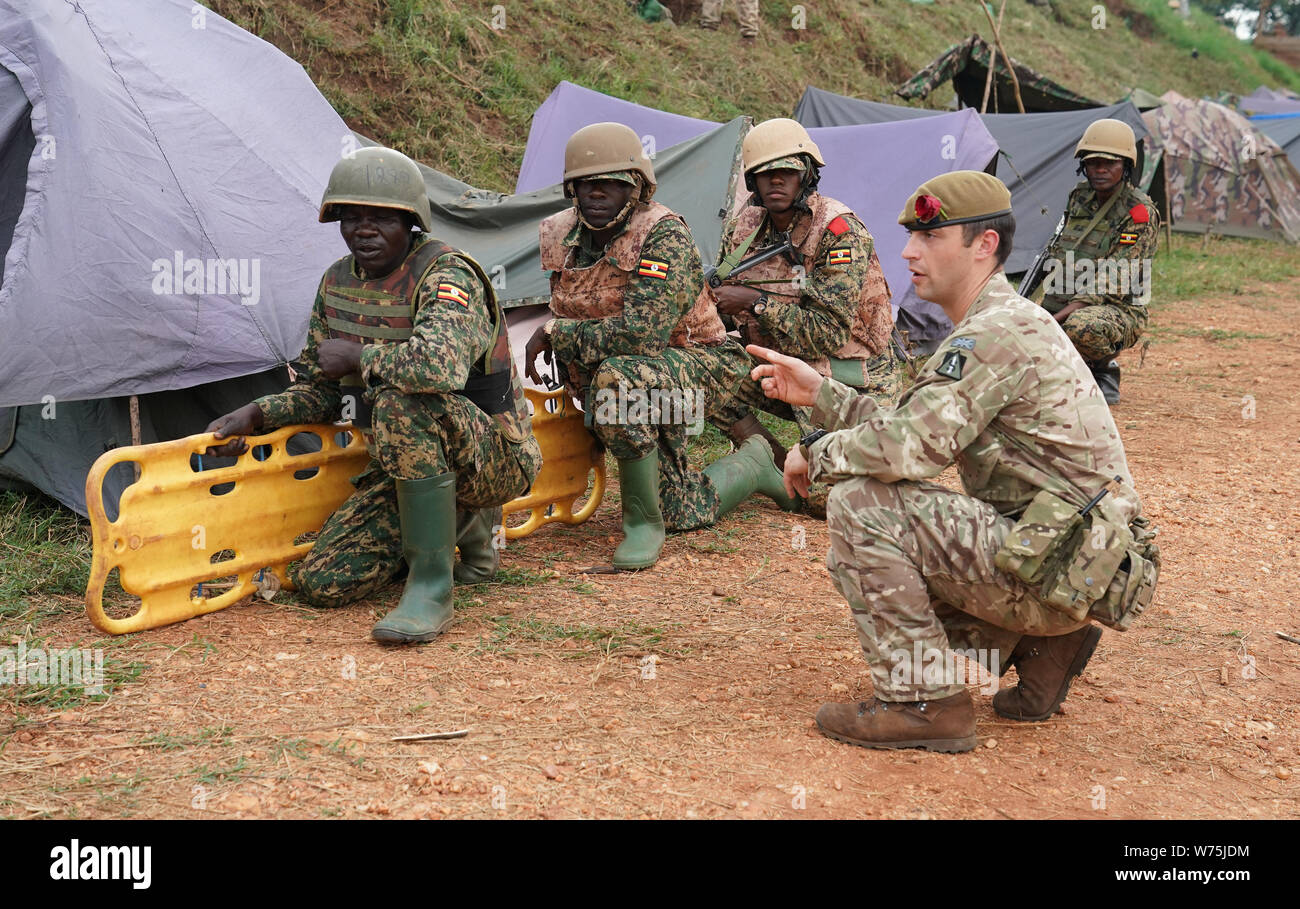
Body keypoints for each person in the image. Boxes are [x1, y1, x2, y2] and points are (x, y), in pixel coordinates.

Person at [749, 171, 1159, 752]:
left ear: (983, 245)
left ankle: (924, 703)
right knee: (886, 510)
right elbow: (917, 423)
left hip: (1066, 563)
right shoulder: (1002, 321)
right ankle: (1041, 646)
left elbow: (906, 449)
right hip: (1073, 557)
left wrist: (815, 454)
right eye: (913, 237)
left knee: (861, 505)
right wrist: (822, 394)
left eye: (931, 237)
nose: (909, 252)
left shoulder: (997, 332)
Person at [206, 147, 541, 644]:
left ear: (411, 223)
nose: (364, 230)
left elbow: (438, 368)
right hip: (406, 465)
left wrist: (361, 358)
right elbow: (321, 388)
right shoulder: (338, 283)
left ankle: (431, 587)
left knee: (402, 398)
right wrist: (258, 414)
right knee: (325, 582)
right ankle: (456, 521)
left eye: (381, 218)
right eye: (352, 218)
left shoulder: (446, 276)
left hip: (493, 455)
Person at [525, 122, 796, 571]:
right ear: (573, 187)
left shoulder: (661, 233)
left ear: (636, 187)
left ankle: (641, 523)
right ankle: (755, 465)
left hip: (701, 366)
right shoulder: (561, 235)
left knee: (620, 375)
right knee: (681, 509)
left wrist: (555, 333)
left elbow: (640, 336)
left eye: (612, 183)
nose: (597, 193)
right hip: (641, 384)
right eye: (587, 183)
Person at [709, 117, 896, 466]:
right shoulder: (743, 230)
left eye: (787, 172)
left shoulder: (839, 231)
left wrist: (754, 302)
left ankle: (804, 471)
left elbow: (828, 332)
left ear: (806, 175)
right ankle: (772, 464)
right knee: (703, 368)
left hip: (851, 381)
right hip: (783, 365)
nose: (775, 180)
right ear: (753, 180)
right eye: (766, 173)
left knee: (825, 496)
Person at [1039, 118, 1159, 404]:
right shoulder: (1079, 197)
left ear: (1126, 166)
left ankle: (1104, 368)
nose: (1101, 169)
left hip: (1117, 309)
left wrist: (1054, 321)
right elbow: (1058, 248)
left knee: (1081, 328)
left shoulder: (1139, 212)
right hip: (1063, 296)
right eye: (1093, 163)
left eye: (1110, 163)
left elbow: (1115, 280)